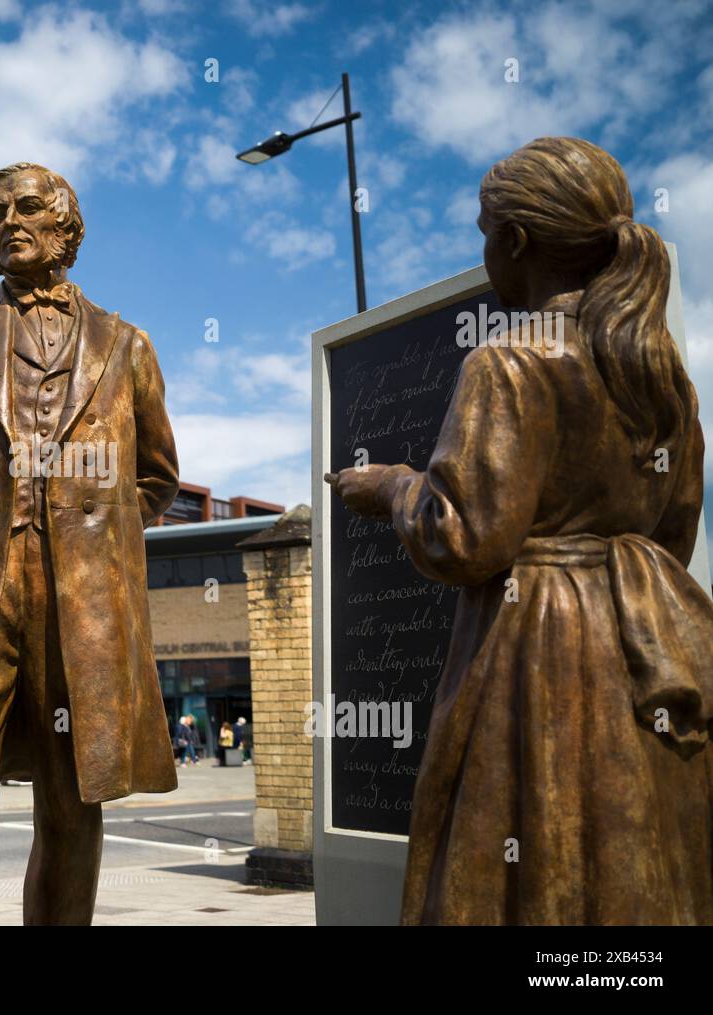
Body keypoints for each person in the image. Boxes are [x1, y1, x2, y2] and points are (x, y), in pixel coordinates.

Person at [328, 137, 713, 924]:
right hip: (646, 651)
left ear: (515, 241)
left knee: (527, 854)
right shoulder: (661, 374)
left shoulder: (509, 363)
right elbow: (674, 537)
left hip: (535, 645)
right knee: (630, 861)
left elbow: (466, 538)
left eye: (483, 230)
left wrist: (394, 485)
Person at [0, 162, 180, 925]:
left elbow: (155, 479)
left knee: (73, 801)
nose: (7, 222)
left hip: (79, 605)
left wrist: (97, 548)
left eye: (24, 208)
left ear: (66, 227)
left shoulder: (128, 345)